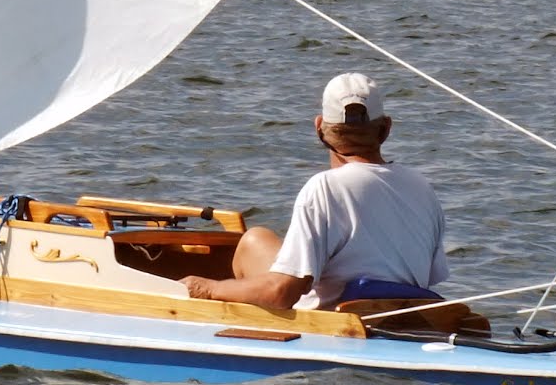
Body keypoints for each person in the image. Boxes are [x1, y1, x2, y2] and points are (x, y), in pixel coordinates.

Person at [181, 72, 448, 310]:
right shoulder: (422, 187)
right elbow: (428, 277)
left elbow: (282, 294)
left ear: (319, 127)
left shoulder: (324, 188)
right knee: (258, 239)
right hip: (409, 315)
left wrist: (207, 288)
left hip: (341, 318)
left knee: (253, 241)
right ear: (386, 128)